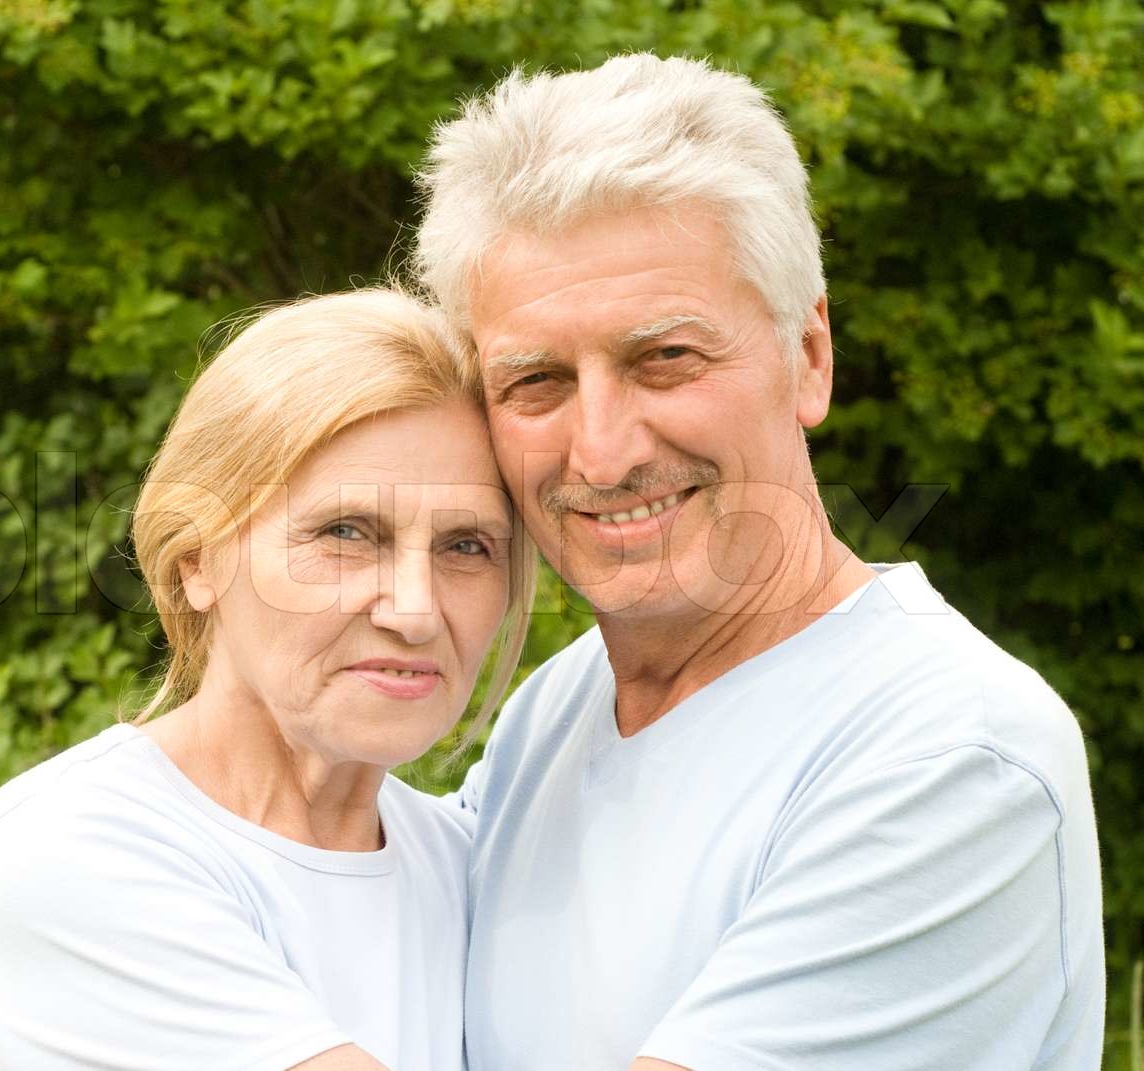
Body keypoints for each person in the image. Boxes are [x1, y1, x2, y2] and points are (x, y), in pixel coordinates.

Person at [413, 54, 1104, 1069]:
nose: (602, 453)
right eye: (537, 380)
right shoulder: (554, 712)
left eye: (666, 358)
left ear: (808, 357)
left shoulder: (950, 760)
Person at [0, 288, 535, 1070]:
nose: (416, 611)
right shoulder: (75, 852)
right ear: (197, 561)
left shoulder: (462, 867)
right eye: (345, 532)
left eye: (468, 545)